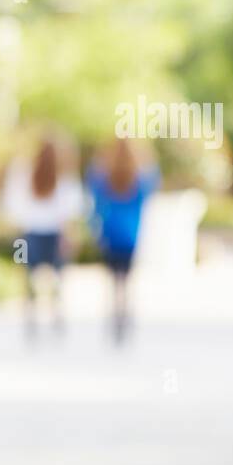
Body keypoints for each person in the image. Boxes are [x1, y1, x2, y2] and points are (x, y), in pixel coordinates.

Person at [0, 131, 84, 339]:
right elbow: (72, 207)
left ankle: (31, 316)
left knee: (27, 276)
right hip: (55, 233)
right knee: (57, 277)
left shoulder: (23, 171)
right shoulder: (64, 173)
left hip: (27, 234)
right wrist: (70, 235)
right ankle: (56, 313)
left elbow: (11, 204)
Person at [86, 137, 160, 345]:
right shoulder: (138, 179)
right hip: (131, 236)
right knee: (126, 281)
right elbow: (153, 181)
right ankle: (124, 315)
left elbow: (92, 186)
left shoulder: (105, 179)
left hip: (109, 234)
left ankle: (115, 316)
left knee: (113, 281)